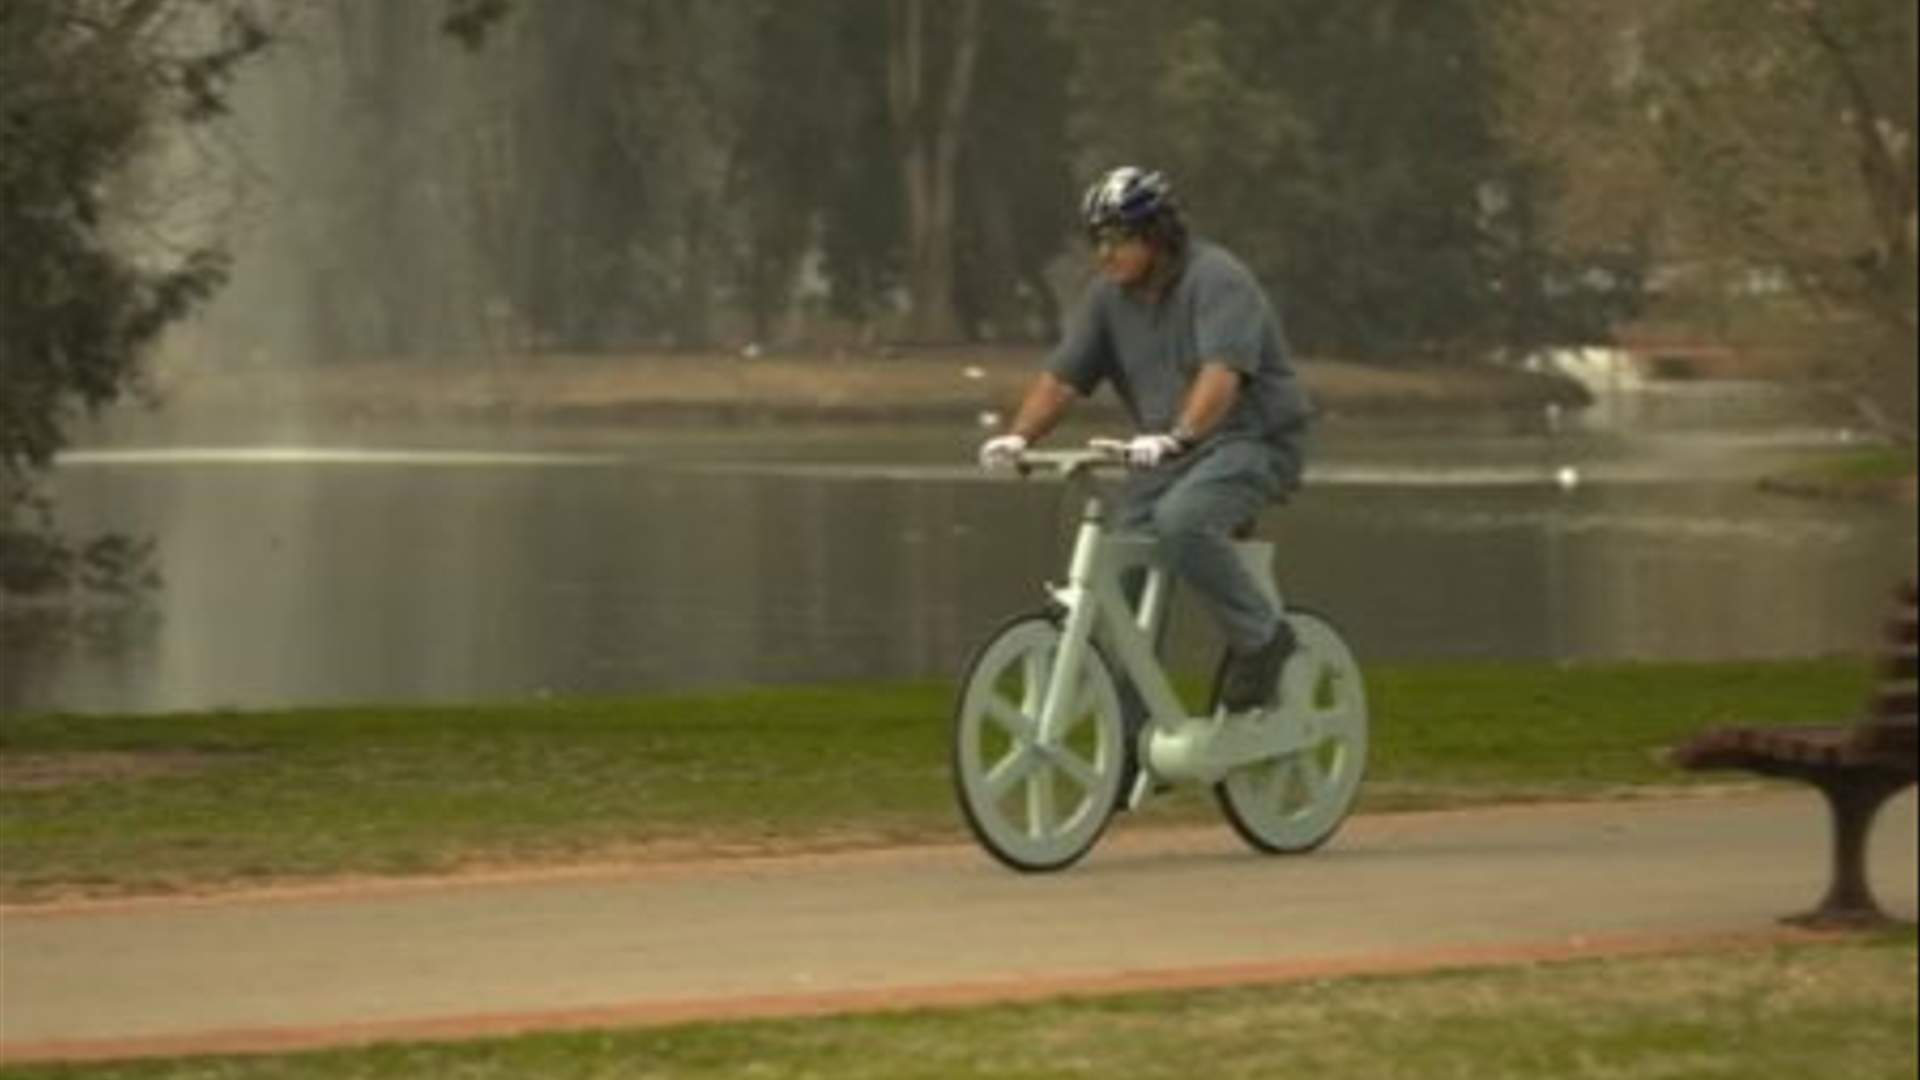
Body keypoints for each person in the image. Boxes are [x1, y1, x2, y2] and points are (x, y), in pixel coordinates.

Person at [978, 166, 1311, 711]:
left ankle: (1264, 641)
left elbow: (1221, 376)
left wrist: (1178, 435)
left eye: (1118, 239)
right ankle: (1131, 725)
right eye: (1098, 240)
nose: (1105, 254)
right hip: (1171, 454)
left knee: (1182, 522)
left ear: (1157, 237)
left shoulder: (1217, 279)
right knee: (1118, 565)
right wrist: (1018, 437)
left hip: (1252, 442)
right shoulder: (1106, 300)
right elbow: (1062, 380)